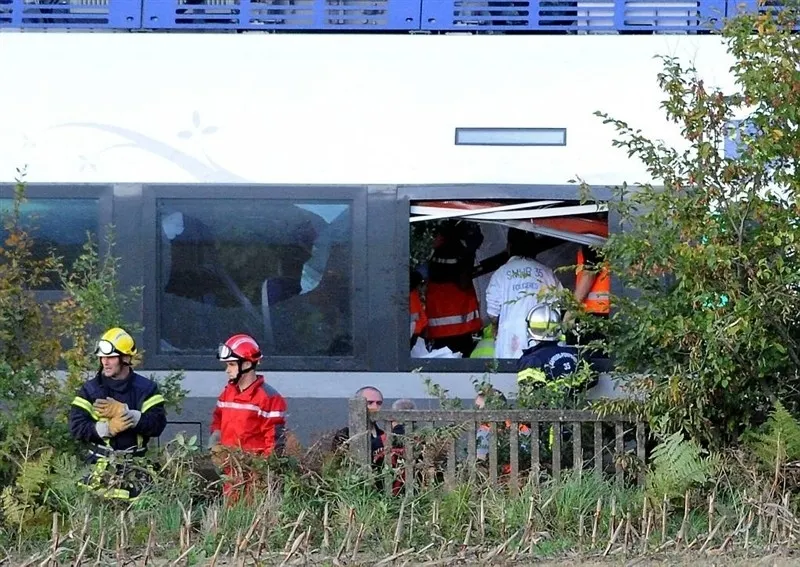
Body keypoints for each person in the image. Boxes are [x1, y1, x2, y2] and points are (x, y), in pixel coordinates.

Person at [69, 327, 167, 501]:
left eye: (111, 357)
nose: (105, 362)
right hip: (97, 473)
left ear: (126, 358)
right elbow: (76, 427)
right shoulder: (90, 390)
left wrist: (129, 415)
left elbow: (157, 424)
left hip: (136, 470)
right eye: (102, 357)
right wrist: (107, 428)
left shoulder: (146, 389)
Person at [209, 333, 287, 500]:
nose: (227, 370)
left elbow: (274, 443)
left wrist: (264, 473)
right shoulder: (227, 394)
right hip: (230, 474)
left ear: (246, 364)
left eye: (231, 364)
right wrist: (215, 441)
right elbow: (218, 421)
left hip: (255, 476)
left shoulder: (269, 398)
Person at [485, 228, 563, 360]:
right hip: (543, 343)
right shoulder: (547, 272)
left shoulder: (501, 274)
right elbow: (561, 304)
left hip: (510, 344)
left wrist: (495, 327)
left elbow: (493, 313)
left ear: (509, 247)